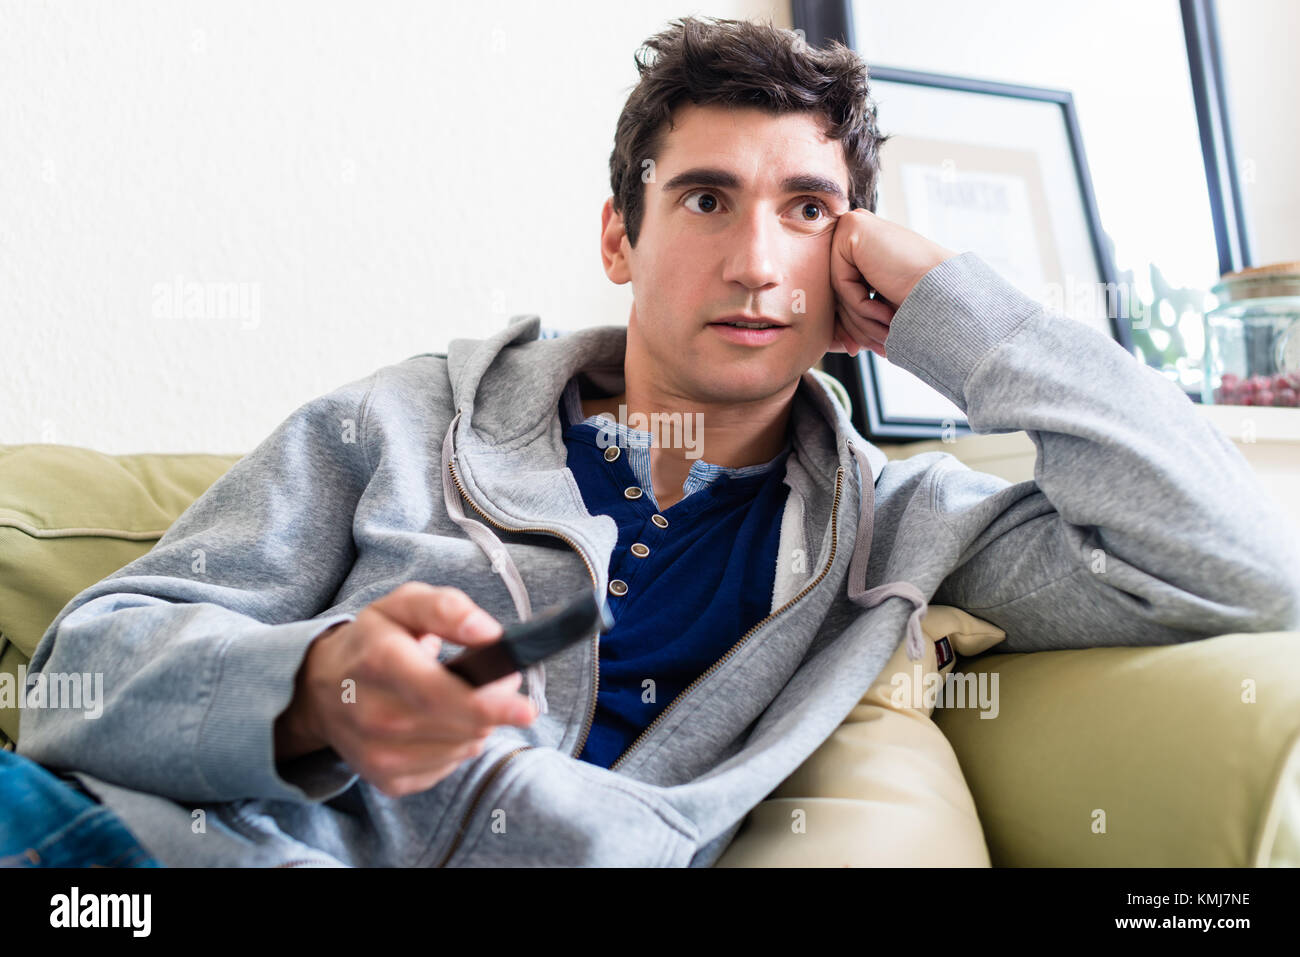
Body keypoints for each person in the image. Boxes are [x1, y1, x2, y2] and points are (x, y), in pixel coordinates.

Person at [9, 16, 1299, 868]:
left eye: (809, 210)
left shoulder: (906, 529)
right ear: (620, 238)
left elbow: (1242, 565)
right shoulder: (395, 423)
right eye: (704, 197)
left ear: (855, 267)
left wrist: (964, 316)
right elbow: (82, 672)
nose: (754, 261)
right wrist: (314, 687)